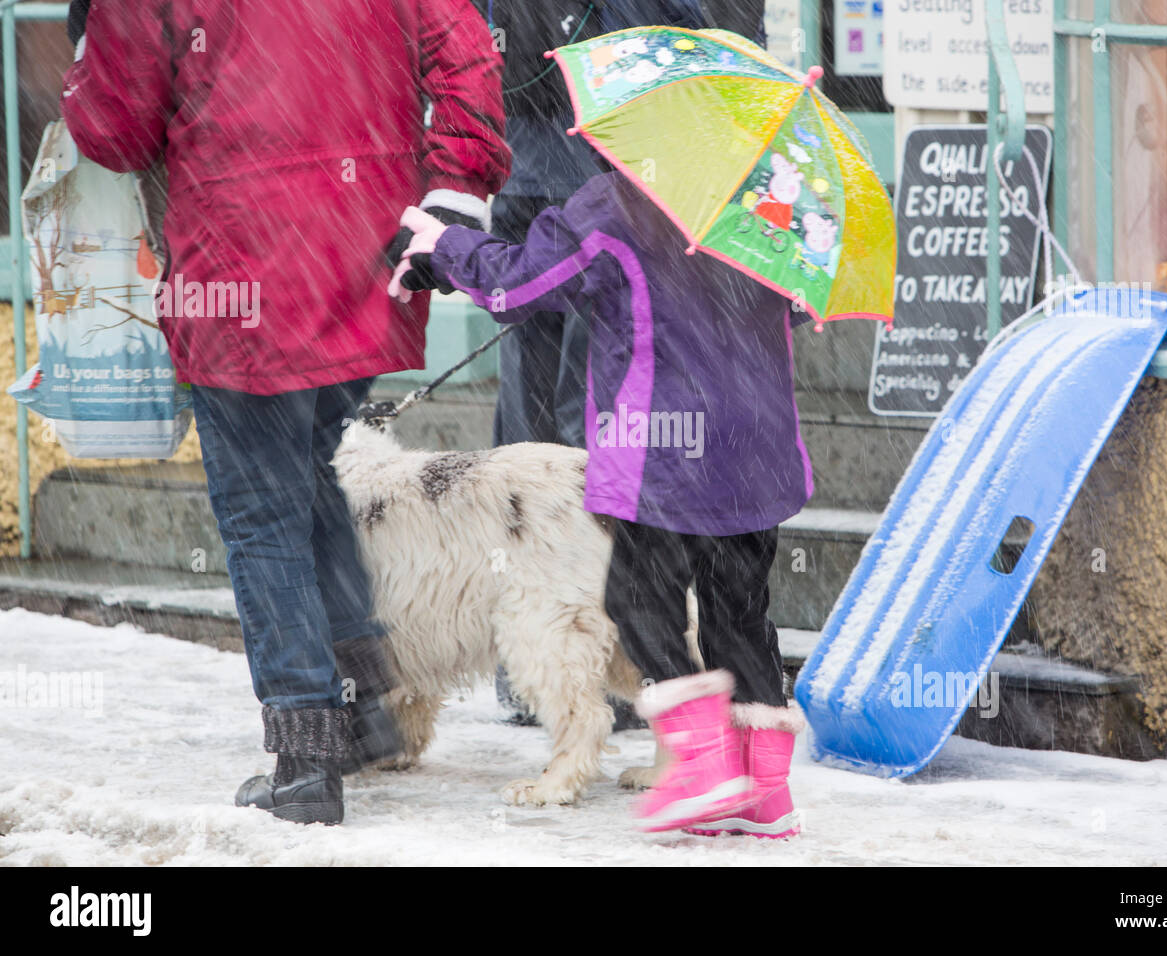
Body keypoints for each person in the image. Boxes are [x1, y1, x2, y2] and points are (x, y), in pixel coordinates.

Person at [61, 0, 510, 825]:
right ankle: (363, 707)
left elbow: (115, 129)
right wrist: (455, 184)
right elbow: (468, 55)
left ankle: (306, 760)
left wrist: (86, 39)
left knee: (263, 514)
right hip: (359, 253)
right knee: (308, 478)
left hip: (243, 266)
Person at [388, 165, 809, 838]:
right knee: (741, 612)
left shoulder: (621, 200)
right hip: (754, 445)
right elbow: (788, 304)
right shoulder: (764, 197)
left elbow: (522, 283)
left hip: (660, 448)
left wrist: (445, 248)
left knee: (642, 603)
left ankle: (700, 771)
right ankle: (764, 792)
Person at [481, 0, 768, 726]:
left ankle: (584, 663)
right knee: (563, 445)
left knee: (564, 445)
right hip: (607, 159)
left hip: (589, 158)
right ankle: (588, 661)